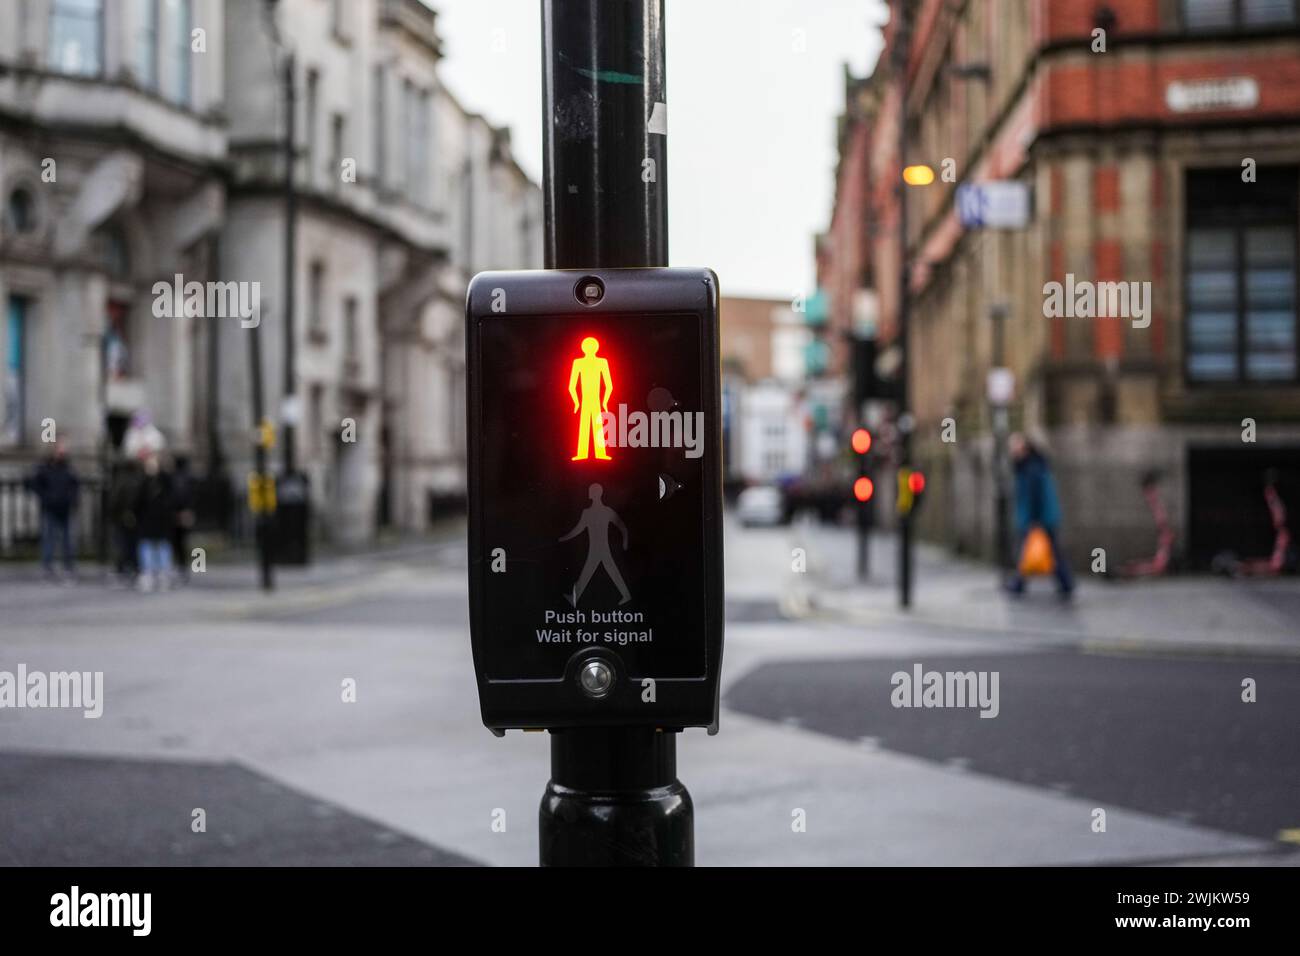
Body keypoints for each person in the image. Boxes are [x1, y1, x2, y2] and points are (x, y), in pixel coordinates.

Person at [1006, 432, 1074, 599]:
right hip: (1044, 517)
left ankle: (1020, 583)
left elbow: (1033, 496)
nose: (1012, 449)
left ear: (1024, 447)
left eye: (1015, 445)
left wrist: (1033, 520)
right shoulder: (1031, 464)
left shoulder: (1030, 467)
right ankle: (1064, 583)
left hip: (1039, 518)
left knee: (1033, 551)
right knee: (1052, 551)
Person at [26, 441, 79, 582]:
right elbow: (34, 483)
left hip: (65, 507)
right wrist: (46, 497)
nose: (62, 453)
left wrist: (72, 499)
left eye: (64, 450)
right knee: (49, 538)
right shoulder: (45, 468)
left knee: (67, 540)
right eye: (60, 450)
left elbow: (75, 485)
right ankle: (47, 567)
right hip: (50, 507)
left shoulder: (69, 468)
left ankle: (68, 567)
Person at [133, 452, 175, 592]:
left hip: (161, 518)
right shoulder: (143, 480)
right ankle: (148, 573)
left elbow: (171, 494)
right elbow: (138, 499)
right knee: (146, 546)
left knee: (162, 546)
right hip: (147, 519)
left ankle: (163, 573)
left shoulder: (164, 479)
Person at [171, 456, 196, 584]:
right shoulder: (188, 478)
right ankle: (185, 567)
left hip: (177, 513)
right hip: (185, 513)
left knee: (177, 542)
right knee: (183, 541)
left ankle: (180, 567)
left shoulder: (175, 478)